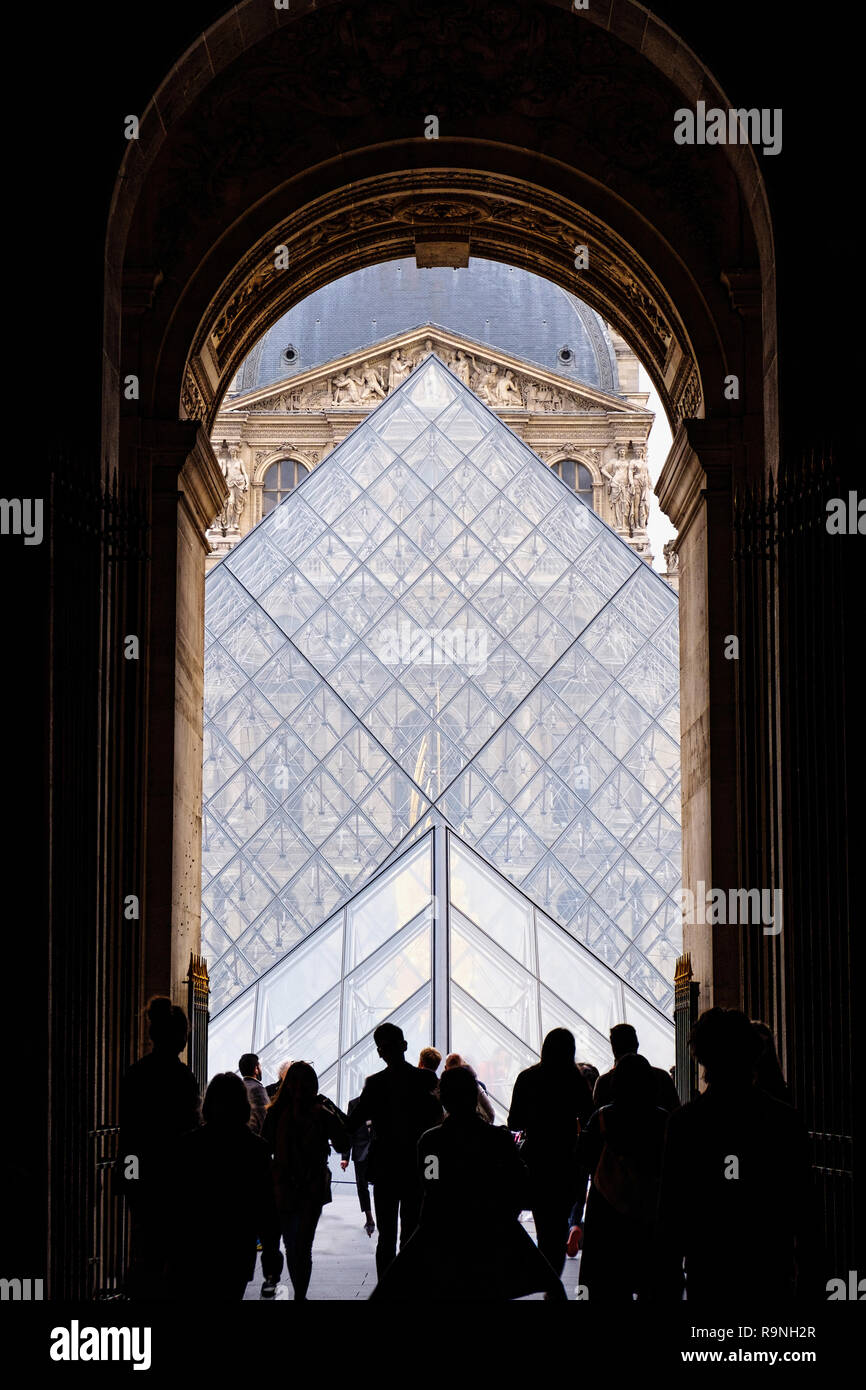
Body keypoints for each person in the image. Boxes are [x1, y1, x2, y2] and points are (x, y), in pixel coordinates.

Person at [657, 1008, 813, 1302]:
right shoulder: (784, 1121)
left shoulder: (685, 1123)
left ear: (701, 1058)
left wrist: (668, 1280)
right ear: (754, 1054)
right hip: (769, 1265)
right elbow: (803, 1209)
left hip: (709, 1266)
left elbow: (671, 1212)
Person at [371, 1066, 565, 1301]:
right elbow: (517, 1183)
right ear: (474, 1096)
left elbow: (431, 1186)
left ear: (444, 1099)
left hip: (444, 1233)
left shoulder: (430, 1142)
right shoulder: (499, 1140)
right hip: (492, 1231)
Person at [118, 996, 201, 1300]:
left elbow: (128, 1136)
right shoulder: (183, 1078)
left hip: (144, 1176)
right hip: (175, 1179)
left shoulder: (135, 1074)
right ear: (180, 1038)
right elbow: (190, 1135)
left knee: (145, 1248)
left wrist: (129, 1178)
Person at [345, 1023, 442, 1276]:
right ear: (405, 1046)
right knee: (410, 1234)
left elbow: (352, 1123)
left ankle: (386, 1291)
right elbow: (436, 1127)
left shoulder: (375, 1085)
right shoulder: (425, 1080)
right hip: (416, 1168)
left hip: (385, 1169)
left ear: (380, 1052)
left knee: (386, 1237)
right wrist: (434, 1173)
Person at [174, 1072, 276, 1300]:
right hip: (237, 1247)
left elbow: (176, 1200)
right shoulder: (257, 1149)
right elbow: (266, 1207)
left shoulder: (188, 1145)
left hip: (196, 1246)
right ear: (243, 1105)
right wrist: (270, 1253)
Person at [576, 1054, 669, 1301]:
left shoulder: (602, 1117)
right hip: (650, 1206)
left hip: (607, 1207)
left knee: (608, 1282)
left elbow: (585, 1158)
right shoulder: (663, 1119)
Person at [507, 1029, 594, 1277]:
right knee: (557, 1226)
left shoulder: (527, 1078)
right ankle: (553, 1280)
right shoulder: (575, 1080)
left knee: (543, 1222)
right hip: (566, 1160)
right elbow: (590, 1118)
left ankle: (547, 1280)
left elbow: (514, 1121)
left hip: (536, 1159)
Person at [261, 1062, 350, 1300]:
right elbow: (343, 1142)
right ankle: (301, 1295)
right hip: (312, 1186)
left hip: (284, 1186)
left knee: (292, 1245)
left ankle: (300, 1295)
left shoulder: (276, 1112)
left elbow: (264, 1146)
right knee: (304, 1245)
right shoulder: (321, 1111)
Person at [593, 1024, 681, 1113]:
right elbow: (675, 1112)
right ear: (637, 1044)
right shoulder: (662, 1077)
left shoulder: (603, 1082)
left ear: (613, 1048)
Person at [566, 1062, 600, 1256]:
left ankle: (571, 1227)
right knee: (586, 1191)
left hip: (570, 1148)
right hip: (591, 1147)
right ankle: (578, 1227)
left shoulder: (570, 1094)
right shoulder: (593, 1100)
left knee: (572, 1192)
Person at [340, 1097, 376, 1236]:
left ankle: (370, 1217)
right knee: (362, 1186)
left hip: (375, 1150)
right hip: (362, 1150)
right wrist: (345, 1157)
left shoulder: (379, 1102)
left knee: (364, 1186)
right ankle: (369, 1216)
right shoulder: (354, 1104)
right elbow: (349, 1131)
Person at [444, 1051, 495, 1122]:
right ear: (463, 1065)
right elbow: (491, 1114)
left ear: (446, 1068)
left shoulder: (443, 1087)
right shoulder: (477, 1086)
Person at [238, 1053, 269, 1135]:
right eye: (260, 1066)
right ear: (256, 1069)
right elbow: (265, 1119)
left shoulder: (238, 1087)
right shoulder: (257, 1089)